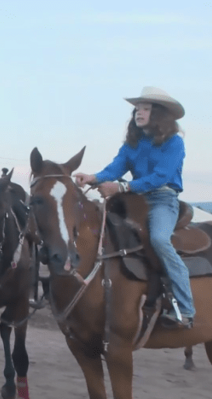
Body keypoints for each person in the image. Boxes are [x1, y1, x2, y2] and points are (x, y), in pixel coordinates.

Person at [74, 86, 194, 329]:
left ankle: (186, 308)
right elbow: (115, 168)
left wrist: (121, 188)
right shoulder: (132, 144)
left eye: (145, 109)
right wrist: (93, 177)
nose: (139, 112)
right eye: (137, 109)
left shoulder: (174, 143)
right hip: (133, 200)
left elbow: (161, 176)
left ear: (159, 114)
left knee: (160, 239)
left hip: (162, 199)